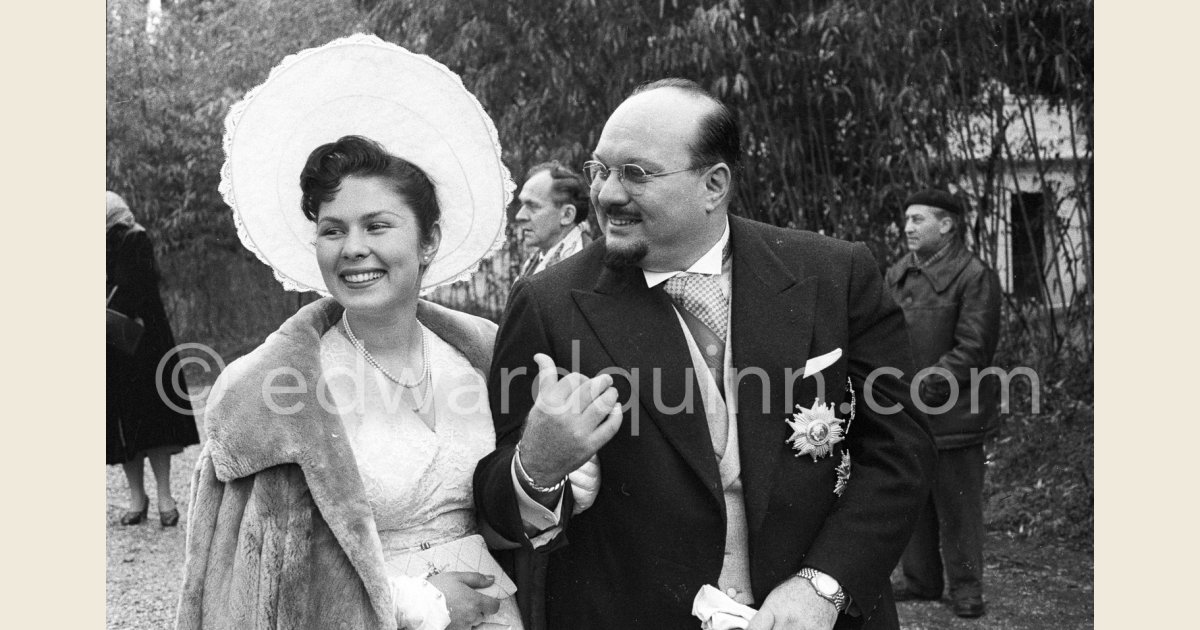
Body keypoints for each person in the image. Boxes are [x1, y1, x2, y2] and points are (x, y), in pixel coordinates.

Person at [474, 78, 937, 630]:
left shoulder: (835, 275)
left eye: (635, 174)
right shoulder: (548, 305)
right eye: (600, 170)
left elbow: (899, 451)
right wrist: (537, 466)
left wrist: (825, 588)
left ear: (714, 185)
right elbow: (497, 501)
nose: (605, 194)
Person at [176, 35, 540, 630]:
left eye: (377, 225)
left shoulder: (484, 355)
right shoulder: (268, 392)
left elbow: (520, 506)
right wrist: (419, 605)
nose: (354, 249)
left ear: (427, 242)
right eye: (332, 229)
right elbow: (250, 581)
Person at [885, 189, 1002, 619]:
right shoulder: (897, 274)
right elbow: (880, 338)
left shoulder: (975, 276)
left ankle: (967, 589)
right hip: (904, 412)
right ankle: (921, 580)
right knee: (912, 498)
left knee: (958, 506)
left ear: (947, 224)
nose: (908, 227)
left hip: (955, 413)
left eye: (918, 219)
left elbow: (973, 349)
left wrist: (918, 389)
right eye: (907, 219)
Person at [107, 190, 200, 527]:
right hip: (110, 346)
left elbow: (134, 286)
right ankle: (137, 497)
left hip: (147, 345)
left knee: (154, 421)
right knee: (120, 425)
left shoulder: (136, 240)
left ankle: (164, 495)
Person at [513, 161, 592, 281]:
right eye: (522, 204)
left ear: (567, 215)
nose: (519, 216)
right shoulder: (538, 259)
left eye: (532, 206)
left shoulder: (585, 271)